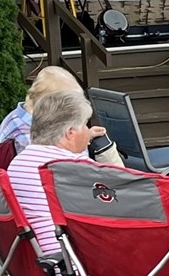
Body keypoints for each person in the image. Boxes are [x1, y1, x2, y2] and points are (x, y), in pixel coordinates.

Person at [6, 90, 105, 260]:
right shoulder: (73, 169)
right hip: (75, 269)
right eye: (85, 125)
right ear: (70, 133)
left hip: (37, 263)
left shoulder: (18, 163)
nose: (88, 131)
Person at [0, 66, 122, 167]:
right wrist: (79, 142)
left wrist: (84, 135)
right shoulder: (27, 140)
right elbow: (69, 174)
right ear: (53, 105)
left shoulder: (14, 118)